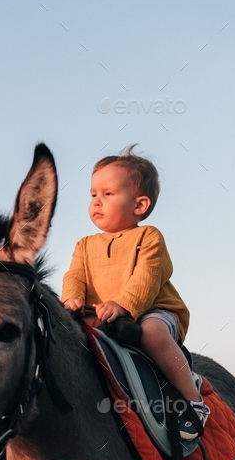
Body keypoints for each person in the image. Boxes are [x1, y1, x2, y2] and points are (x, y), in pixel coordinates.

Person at [62, 145, 209, 440]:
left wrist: (124, 304)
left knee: (151, 332)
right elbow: (75, 275)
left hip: (151, 310)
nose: (97, 202)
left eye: (108, 194)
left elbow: (148, 276)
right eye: (93, 195)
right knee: (66, 339)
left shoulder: (148, 237)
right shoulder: (84, 245)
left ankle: (193, 400)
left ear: (139, 205)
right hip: (103, 314)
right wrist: (71, 299)